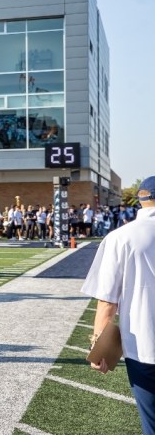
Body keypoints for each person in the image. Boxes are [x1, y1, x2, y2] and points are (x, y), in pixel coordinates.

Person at [82, 175, 155, 435]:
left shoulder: (120, 237)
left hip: (145, 345)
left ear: (140, 199)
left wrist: (98, 346)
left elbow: (107, 302)